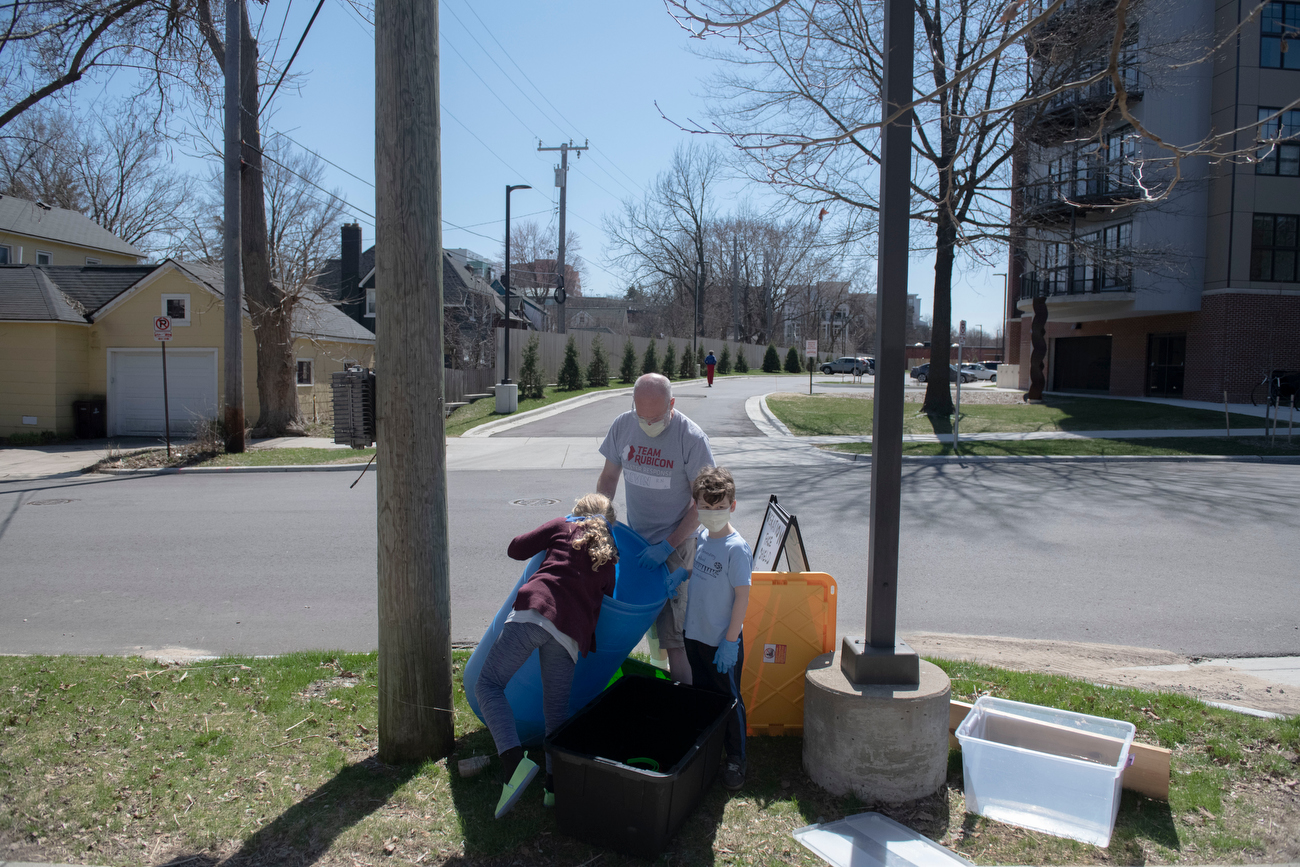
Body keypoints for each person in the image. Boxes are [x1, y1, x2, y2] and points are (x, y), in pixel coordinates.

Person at [475, 493, 619, 818]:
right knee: (556, 713)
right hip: (570, 635)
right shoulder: (610, 556)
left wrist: (555, 532)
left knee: (489, 684)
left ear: (577, 513)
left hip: (537, 611)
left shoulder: (563, 527)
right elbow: (609, 594)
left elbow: (515, 548)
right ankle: (554, 789)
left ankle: (513, 766)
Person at [597, 373, 714, 684]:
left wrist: (668, 545)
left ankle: (684, 712)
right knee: (632, 621)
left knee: (674, 635)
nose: (648, 424)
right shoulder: (623, 425)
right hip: (635, 541)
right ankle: (655, 679)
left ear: (672, 404)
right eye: (642, 416)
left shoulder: (691, 438)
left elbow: (704, 504)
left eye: (656, 418)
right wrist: (602, 519)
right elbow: (608, 479)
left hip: (677, 547)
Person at [668, 465, 751, 790]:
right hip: (694, 636)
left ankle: (736, 759)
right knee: (703, 696)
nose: (712, 513)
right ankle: (708, 750)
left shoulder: (736, 549)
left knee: (728, 701)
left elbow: (742, 599)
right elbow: (695, 566)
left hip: (721, 643)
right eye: (705, 507)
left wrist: (731, 642)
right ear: (696, 506)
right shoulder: (702, 535)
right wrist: (682, 574)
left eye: (719, 508)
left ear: (732, 506)